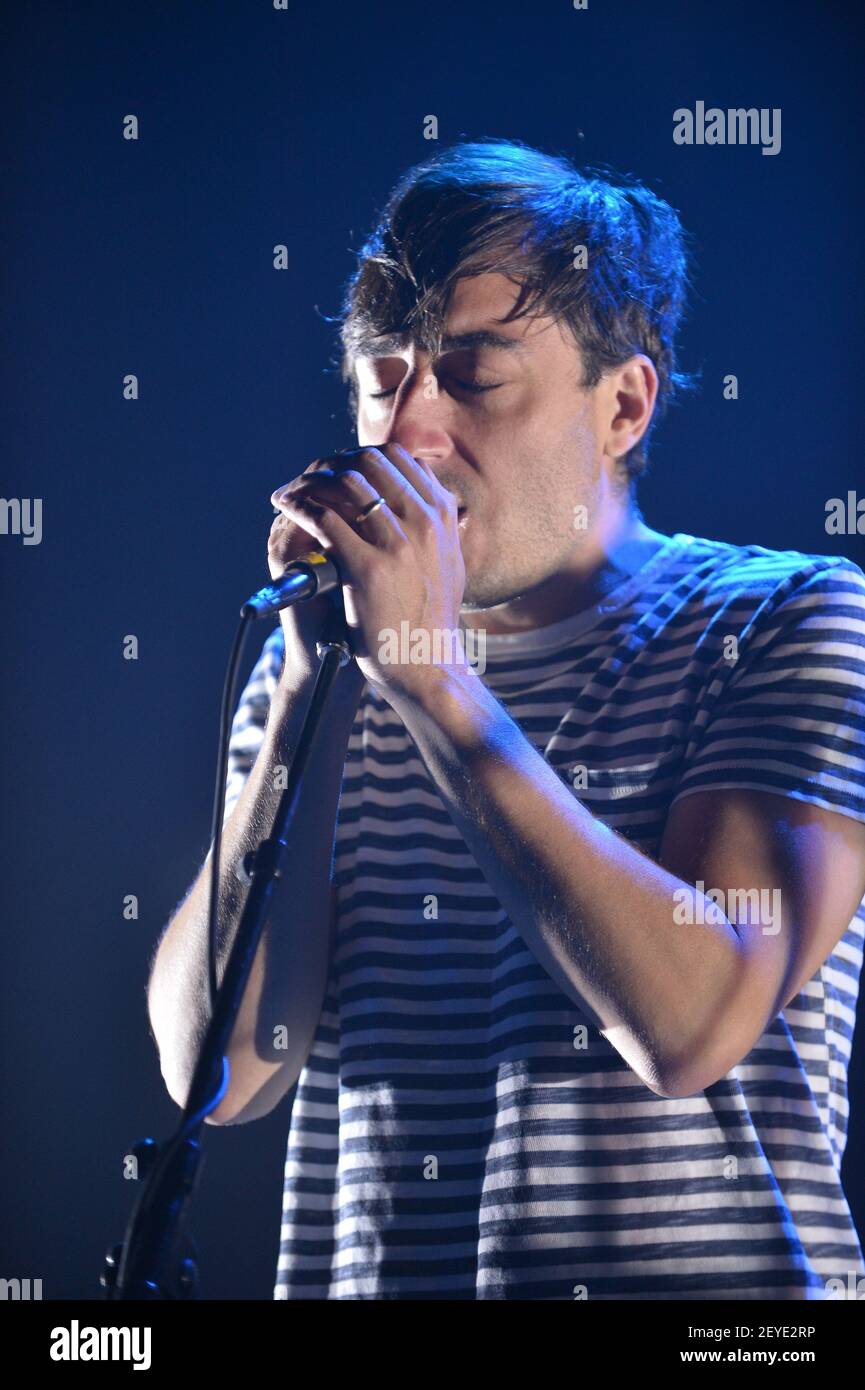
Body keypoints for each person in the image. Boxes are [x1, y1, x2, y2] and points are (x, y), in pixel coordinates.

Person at [147, 139, 865, 1300]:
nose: (406, 437)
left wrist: (433, 681)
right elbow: (217, 1073)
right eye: (384, 381)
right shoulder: (329, 659)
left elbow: (691, 1023)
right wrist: (302, 691)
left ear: (622, 402)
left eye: (472, 377)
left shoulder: (785, 618)